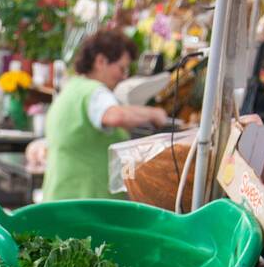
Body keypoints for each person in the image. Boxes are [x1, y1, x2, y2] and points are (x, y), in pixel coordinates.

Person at [41, 30, 170, 202]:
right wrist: (154, 114)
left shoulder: (71, 89)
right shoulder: (95, 92)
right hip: (89, 204)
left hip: (60, 198)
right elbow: (115, 116)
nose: (124, 77)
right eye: (121, 68)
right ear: (100, 61)